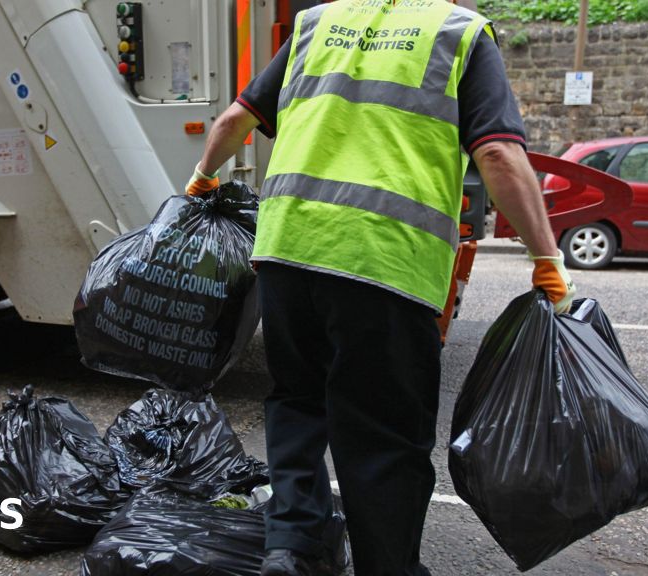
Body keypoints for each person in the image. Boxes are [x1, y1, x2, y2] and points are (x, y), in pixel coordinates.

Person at [186, 1, 575, 574]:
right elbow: (496, 151)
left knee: (296, 400)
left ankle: (291, 549)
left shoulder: (317, 23)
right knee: (383, 431)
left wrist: (202, 178)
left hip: (287, 250)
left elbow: (234, 120)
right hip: (384, 262)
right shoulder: (459, 33)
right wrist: (546, 258)